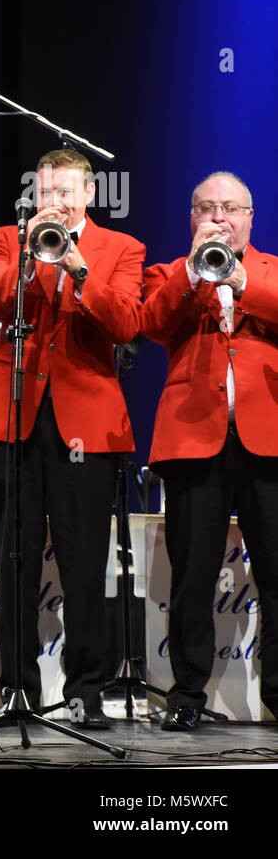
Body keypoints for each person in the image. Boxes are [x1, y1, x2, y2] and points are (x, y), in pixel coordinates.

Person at [0, 148, 144, 729]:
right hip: (11, 417)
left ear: (89, 196)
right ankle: (18, 687)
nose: (55, 205)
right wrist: (25, 260)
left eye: (66, 194)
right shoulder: (7, 238)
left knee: (84, 561)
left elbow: (125, 324)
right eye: (46, 194)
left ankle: (88, 690)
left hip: (85, 423)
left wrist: (77, 267)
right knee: (13, 559)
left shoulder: (122, 249)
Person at [141, 172, 278, 731]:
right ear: (191, 217)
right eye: (207, 209)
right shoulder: (169, 272)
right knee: (192, 574)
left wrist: (243, 283)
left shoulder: (269, 271)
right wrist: (193, 274)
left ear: (251, 217)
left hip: (266, 437)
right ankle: (187, 694)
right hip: (193, 438)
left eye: (230, 209)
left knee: (276, 572)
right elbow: (150, 323)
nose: (219, 218)